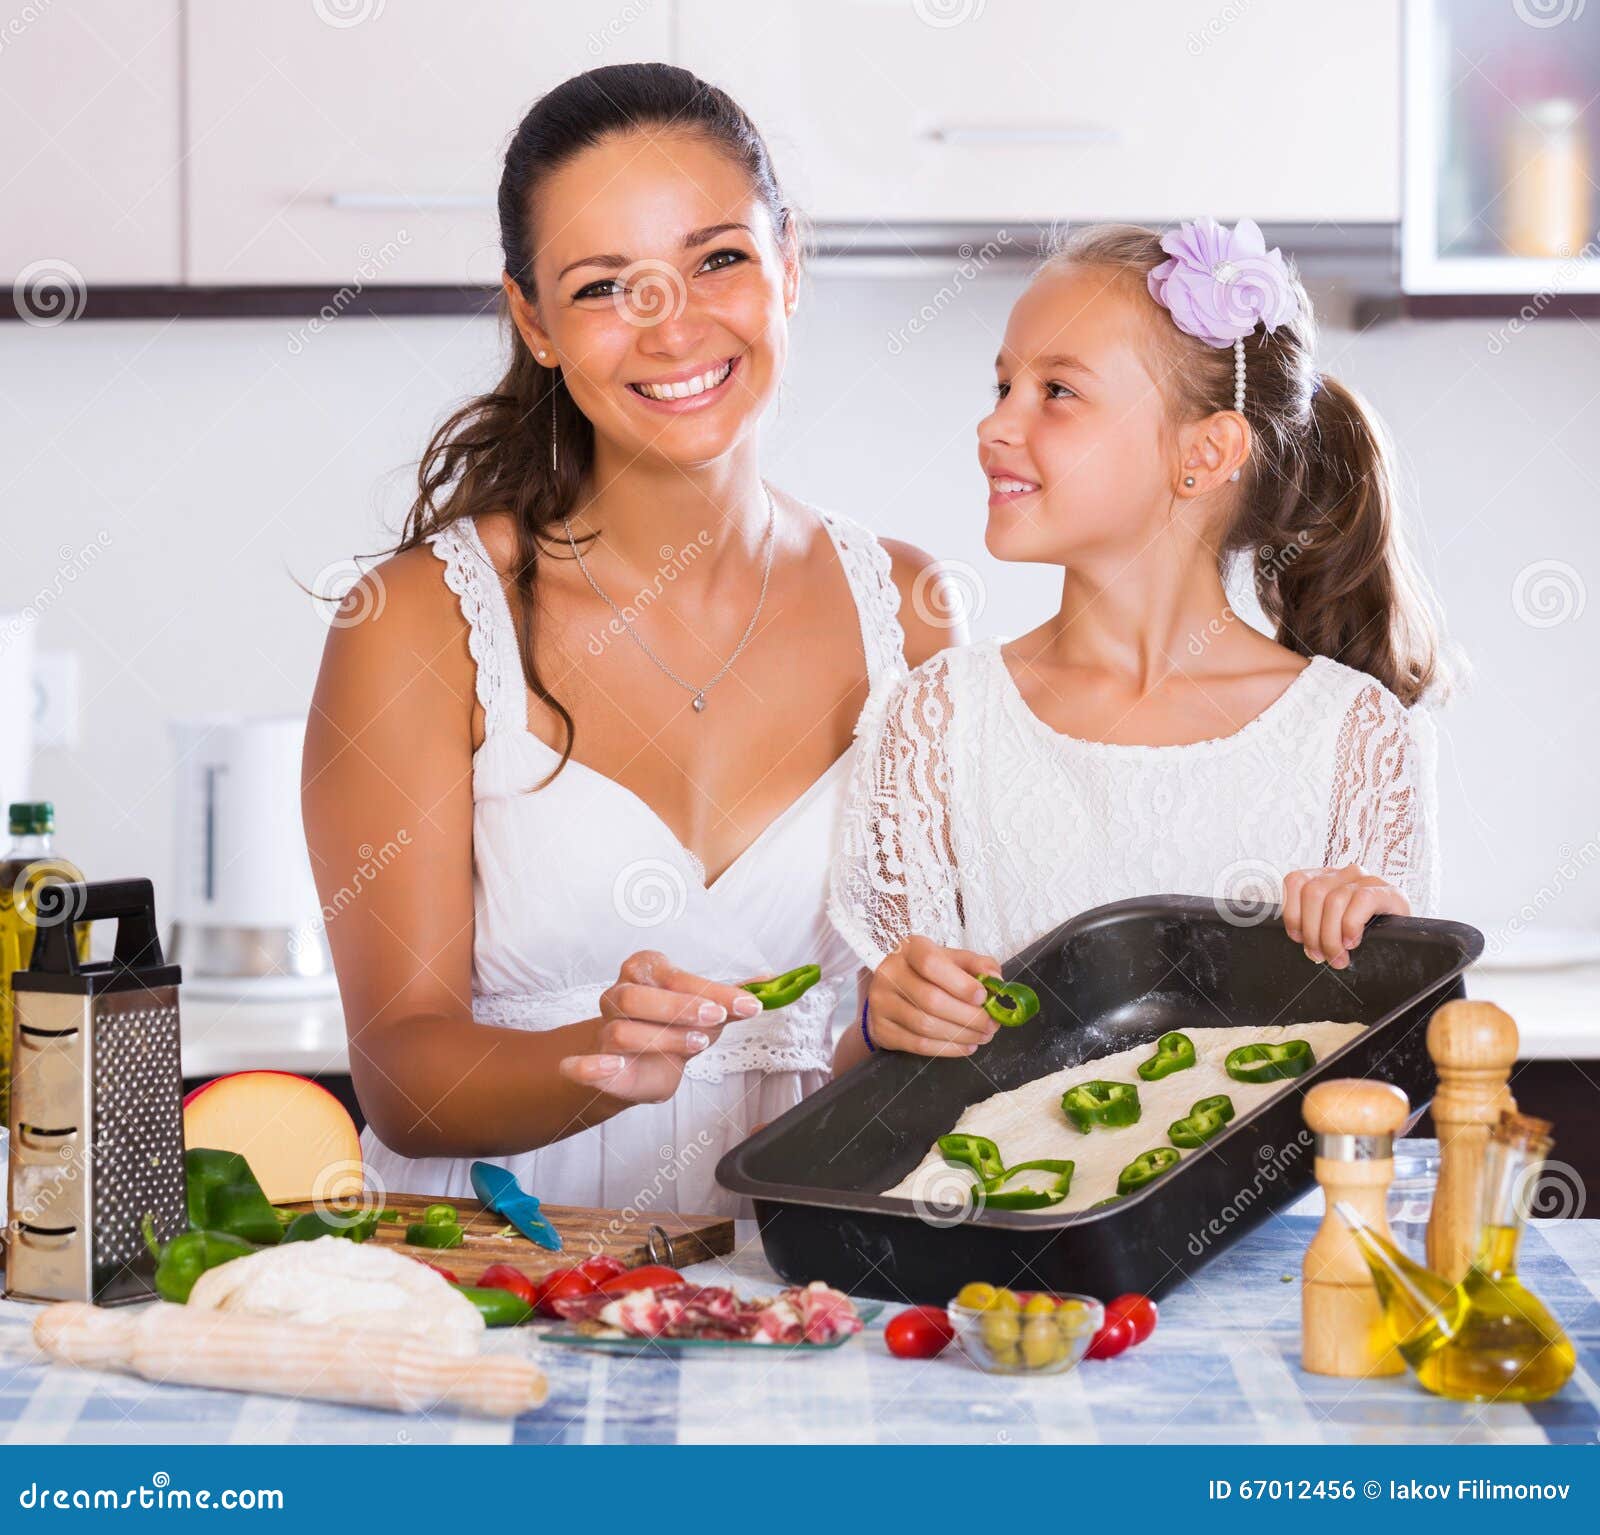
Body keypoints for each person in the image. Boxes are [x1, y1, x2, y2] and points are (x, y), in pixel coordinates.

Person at [302, 64, 951, 1211]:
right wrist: (591, 1058)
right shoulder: (422, 618)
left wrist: (915, 1022)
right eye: (607, 285)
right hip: (512, 1282)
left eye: (717, 259)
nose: (674, 323)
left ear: (789, 267)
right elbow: (402, 1072)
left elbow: (903, 1036)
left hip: (818, 1281)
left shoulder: (908, 606)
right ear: (534, 323)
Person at [830, 218, 1444, 1062]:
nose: (995, 428)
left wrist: (1383, 966)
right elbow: (865, 1089)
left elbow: (1388, 1088)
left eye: (1057, 392)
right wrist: (883, 1021)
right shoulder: (934, 721)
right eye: (1002, 386)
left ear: (1206, 451)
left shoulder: (1355, 738)